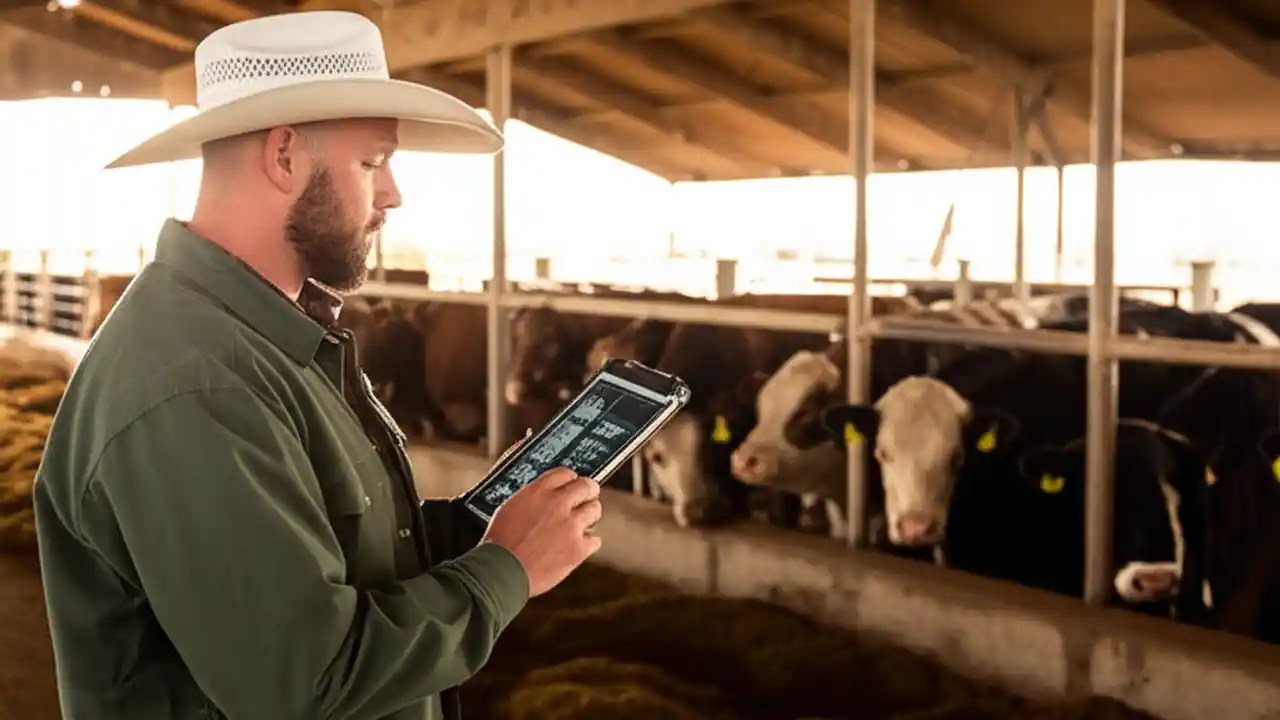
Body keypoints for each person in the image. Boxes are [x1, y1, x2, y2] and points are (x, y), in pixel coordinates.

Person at [32, 10, 603, 720]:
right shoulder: (193, 385)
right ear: (284, 156)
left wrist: (478, 526)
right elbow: (304, 681)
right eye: (373, 162)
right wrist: (505, 570)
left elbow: (328, 548)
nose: (393, 193)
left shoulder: (263, 338)